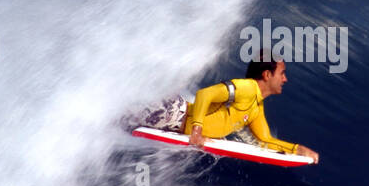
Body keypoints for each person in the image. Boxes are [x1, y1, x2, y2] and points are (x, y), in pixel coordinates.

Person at [131, 56, 318, 163]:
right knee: (117, 115)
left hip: (171, 121)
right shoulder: (245, 88)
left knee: (119, 119)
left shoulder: (256, 106)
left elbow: (264, 141)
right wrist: (197, 130)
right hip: (172, 111)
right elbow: (205, 94)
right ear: (267, 74)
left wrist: (297, 150)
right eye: (282, 73)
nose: (285, 79)